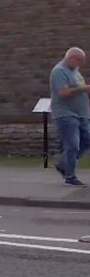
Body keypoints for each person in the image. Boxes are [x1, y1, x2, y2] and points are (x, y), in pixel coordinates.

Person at [50, 47, 90, 186]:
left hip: (82, 114)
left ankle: (64, 164)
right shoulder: (59, 71)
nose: (79, 64)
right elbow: (63, 93)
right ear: (71, 57)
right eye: (79, 61)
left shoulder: (75, 72)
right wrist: (83, 89)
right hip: (66, 114)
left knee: (87, 139)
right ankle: (70, 177)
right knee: (73, 144)